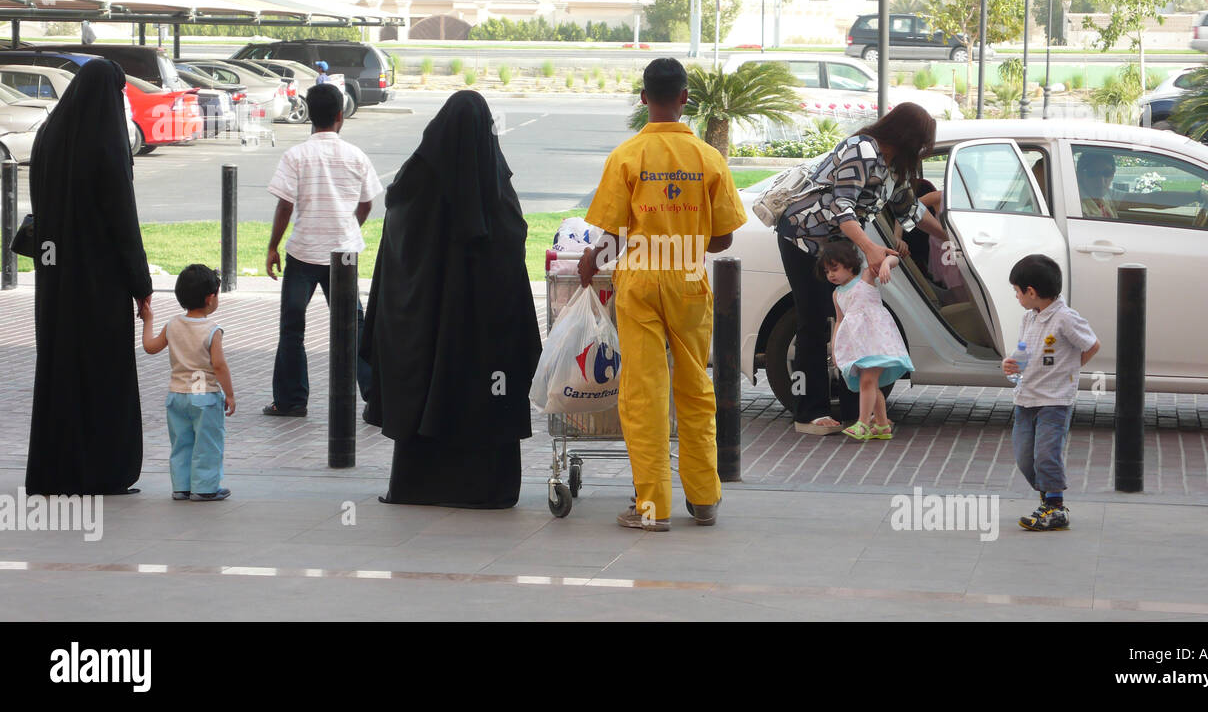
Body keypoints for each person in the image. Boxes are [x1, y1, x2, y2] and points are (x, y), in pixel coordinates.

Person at [579, 57, 748, 531]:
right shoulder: (709, 159)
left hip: (639, 283)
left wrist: (593, 260)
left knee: (644, 393)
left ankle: (651, 507)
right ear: (684, 99)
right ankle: (705, 497)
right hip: (689, 281)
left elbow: (611, 236)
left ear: (642, 98)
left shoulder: (627, 156)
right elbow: (724, 238)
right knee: (695, 387)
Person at [361, 90, 541, 508]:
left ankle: (418, 486)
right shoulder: (493, 181)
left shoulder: (415, 180)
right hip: (483, 330)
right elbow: (512, 243)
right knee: (486, 394)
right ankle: (487, 490)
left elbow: (399, 245)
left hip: (426, 324)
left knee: (427, 392)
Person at [775, 103, 948, 435]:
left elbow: (908, 209)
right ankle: (809, 413)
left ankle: (857, 412)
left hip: (838, 245)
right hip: (804, 240)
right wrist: (869, 249)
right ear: (908, 135)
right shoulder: (862, 149)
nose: (922, 150)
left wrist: (949, 236)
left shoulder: (893, 167)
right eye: (922, 142)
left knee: (849, 319)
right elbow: (843, 205)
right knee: (813, 320)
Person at [25, 58, 153, 496]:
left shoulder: (48, 135)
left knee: (60, 368)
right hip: (99, 283)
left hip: (54, 278)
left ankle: (56, 469)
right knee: (103, 373)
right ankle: (104, 469)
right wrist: (141, 286)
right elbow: (122, 220)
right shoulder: (106, 142)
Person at [263, 84, 381, 417]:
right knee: (355, 326)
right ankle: (373, 394)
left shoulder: (296, 156)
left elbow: (285, 205)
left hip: (302, 254)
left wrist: (273, 246)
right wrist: (350, 227)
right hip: (343, 255)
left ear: (309, 116)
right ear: (340, 116)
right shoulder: (356, 155)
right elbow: (367, 201)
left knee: (292, 327)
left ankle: (290, 400)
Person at [1002, 254, 1100, 532]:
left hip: (1055, 401)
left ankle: (1055, 506)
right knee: (1025, 456)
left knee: (1047, 453)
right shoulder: (1028, 319)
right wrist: (1011, 365)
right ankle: (1047, 498)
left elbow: (1092, 344)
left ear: (1031, 292)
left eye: (1017, 292)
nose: (1017, 297)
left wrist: (1071, 368)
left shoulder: (1065, 318)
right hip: (1026, 398)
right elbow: (1023, 352)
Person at [140, 265, 235, 502]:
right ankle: (205, 488)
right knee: (207, 443)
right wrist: (230, 395)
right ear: (210, 298)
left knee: (181, 443)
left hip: (177, 395)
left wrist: (148, 320)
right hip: (204, 395)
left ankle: (181, 487)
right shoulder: (212, 330)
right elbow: (219, 366)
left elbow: (150, 347)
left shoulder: (173, 324)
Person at [819, 239, 913, 441]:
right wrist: (835, 347)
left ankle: (862, 423)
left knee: (868, 380)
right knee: (870, 382)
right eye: (827, 272)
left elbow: (894, 257)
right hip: (859, 345)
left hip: (877, 340)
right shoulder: (837, 294)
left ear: (849, 263)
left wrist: (886, 265)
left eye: (834, 269)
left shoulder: (866, 276)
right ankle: (881, 425)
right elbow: (839, 320)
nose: (831, 275)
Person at [1076, 149, 1208, 221]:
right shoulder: (1075, 201)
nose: (1101, 181)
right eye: (1092, 174)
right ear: (1081, 175)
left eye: (1106, 173)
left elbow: (1151, 199)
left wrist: (1199, 195)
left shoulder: (1107, 196)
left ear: (1113, 174)